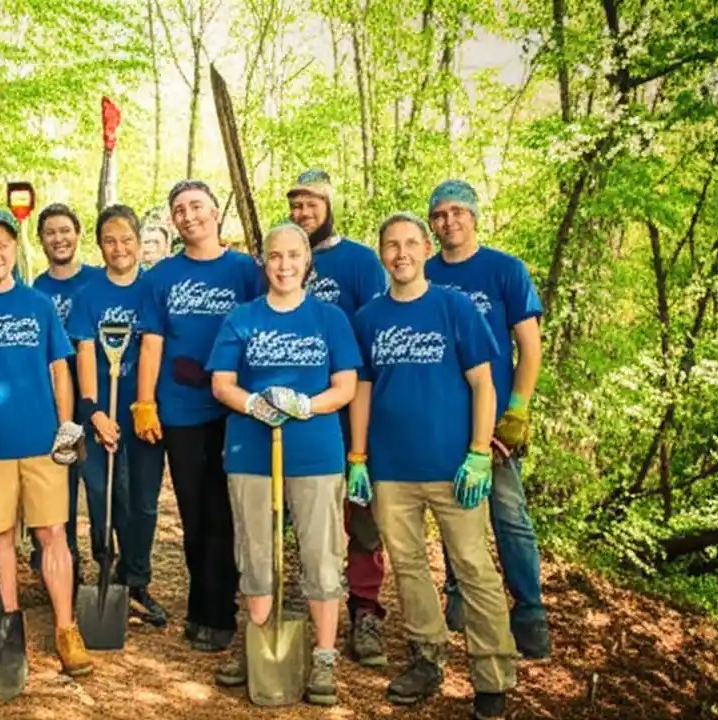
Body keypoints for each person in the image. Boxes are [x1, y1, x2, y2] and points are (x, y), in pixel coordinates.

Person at [348, 212, 517, 719]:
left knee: (473, 568)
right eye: (390, 246)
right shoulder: (369, 318)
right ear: (382, 255)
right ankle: (427, 658)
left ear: (425, 248)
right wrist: (358, 456)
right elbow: (362, 388)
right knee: (409, 568)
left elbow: (484, 384)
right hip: (392, 472)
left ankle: (492, 678)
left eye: (409, 244)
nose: (400, 253)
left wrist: (480, 451)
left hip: (454, 469)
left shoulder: (455, 308)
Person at [206, 223, 361, 705]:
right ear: (264, 262)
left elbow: (346, 387)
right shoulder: (242, 317)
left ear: (307, 262)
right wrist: (253, 403)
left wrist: (305, 404)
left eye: (294, 255)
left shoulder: (330, 318)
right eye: (275, 256)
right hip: (251, 452)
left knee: (320, 552)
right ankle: (258, 641)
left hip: (315, 452)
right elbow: (222, 383)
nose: (285, 264)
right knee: (255, 549)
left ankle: (323, 657)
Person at [0, 208, 93, 676]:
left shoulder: (38, 303)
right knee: (1, 537)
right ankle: (10, 626)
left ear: (15, 249)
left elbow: (59, 368)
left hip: (41, 440)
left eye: (2, 245)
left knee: (53, 535)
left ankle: (67, 628)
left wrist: (66, 424)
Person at [424, 179, 550, 659]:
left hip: (493, 421)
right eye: (439, 214)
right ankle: (458, 596)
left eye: (458, 211)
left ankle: (529, 611)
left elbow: (530, 345)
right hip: (441, 420)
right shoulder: (424, 272)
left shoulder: (505, 270)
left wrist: (517, 409)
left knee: (509, 516)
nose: (449, 221)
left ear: (474, 216)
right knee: (457, 511)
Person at [134, 179, 263, 652]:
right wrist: (145, 401)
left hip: (234, 409)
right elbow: (152, 342)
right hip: (181, 410)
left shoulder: (246, 270)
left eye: (196, 207)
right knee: (194, 510)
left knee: (226, 510)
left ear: (214, 212)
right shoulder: (161, 277)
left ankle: (224, 610)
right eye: (179, 210)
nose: (188, 216)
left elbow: (265, 329)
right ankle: (202, 604)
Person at [286, 168, 390, 666]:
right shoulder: (286, 262)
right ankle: (308, 601)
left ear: (329, 206)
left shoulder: (360, 262)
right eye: (296, 206)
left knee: (362, 513)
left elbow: (374, 330)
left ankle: (365, 609)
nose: (302, 214)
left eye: (311, 204)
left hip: (355, 407)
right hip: (304, 415)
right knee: (309, 517)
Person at [69, 204, 169, 627]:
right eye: (109, 240)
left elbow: (153, 345)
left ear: (138, 241)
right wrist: (93, 412)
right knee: (103, 497)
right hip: (100, 416)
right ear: (100, 245)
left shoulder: (153, 289)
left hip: (144, 413)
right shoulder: (88, 294)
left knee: (143, 501)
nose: (119, 248)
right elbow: (86, 352)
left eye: (127, 239)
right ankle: (105, 568)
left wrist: (142, 406)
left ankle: (137, 580)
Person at [30, 203, 99, 580]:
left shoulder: (96, 281)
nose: (59, 238)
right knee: (59, 483)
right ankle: (59, 559)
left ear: (78, 234)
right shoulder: (35, 291)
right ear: (41, 240)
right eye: (50, 232)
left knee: (98, 483)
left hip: (96, 395)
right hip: (52, 399)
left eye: (65, 230)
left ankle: (109, 561)